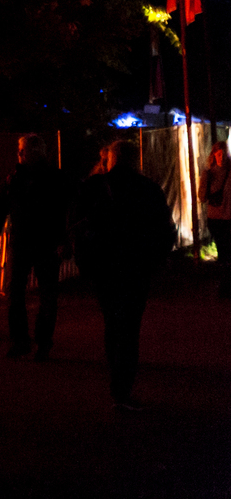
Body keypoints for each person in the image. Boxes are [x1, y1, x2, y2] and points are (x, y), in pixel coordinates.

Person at [70, 139, 176, 410]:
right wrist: (157, 260)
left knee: (111, 319)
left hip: (104, 264)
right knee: (129, 325)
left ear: (110, 159)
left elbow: (75, 224)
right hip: (136, 265)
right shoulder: (148, 189)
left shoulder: (93, 187)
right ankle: (122, 385)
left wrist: (85, 259)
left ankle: (114, 370)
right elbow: (164, 228)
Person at [0, 132, 68, 359]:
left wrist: (63, 240)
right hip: (21, 241)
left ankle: (42, 342)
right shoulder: (15, 176)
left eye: (22, 150)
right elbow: (2, 206)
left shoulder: (53, 177)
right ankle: (21, 341)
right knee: (15, 291)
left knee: (47, 294)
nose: (19, 154)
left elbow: (64, 211)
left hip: (45, 242)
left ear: (34, 151)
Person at [202, 141, 230, 299]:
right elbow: (201, 197)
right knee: (223, 251)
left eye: (223, 154)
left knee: (226, 251)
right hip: (216, 217)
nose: (221, 158)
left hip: (226, 216)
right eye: (218, 154)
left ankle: (225, 285)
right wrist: (205, 182)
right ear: (213, 155)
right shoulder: (209, 173)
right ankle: (224, 284)